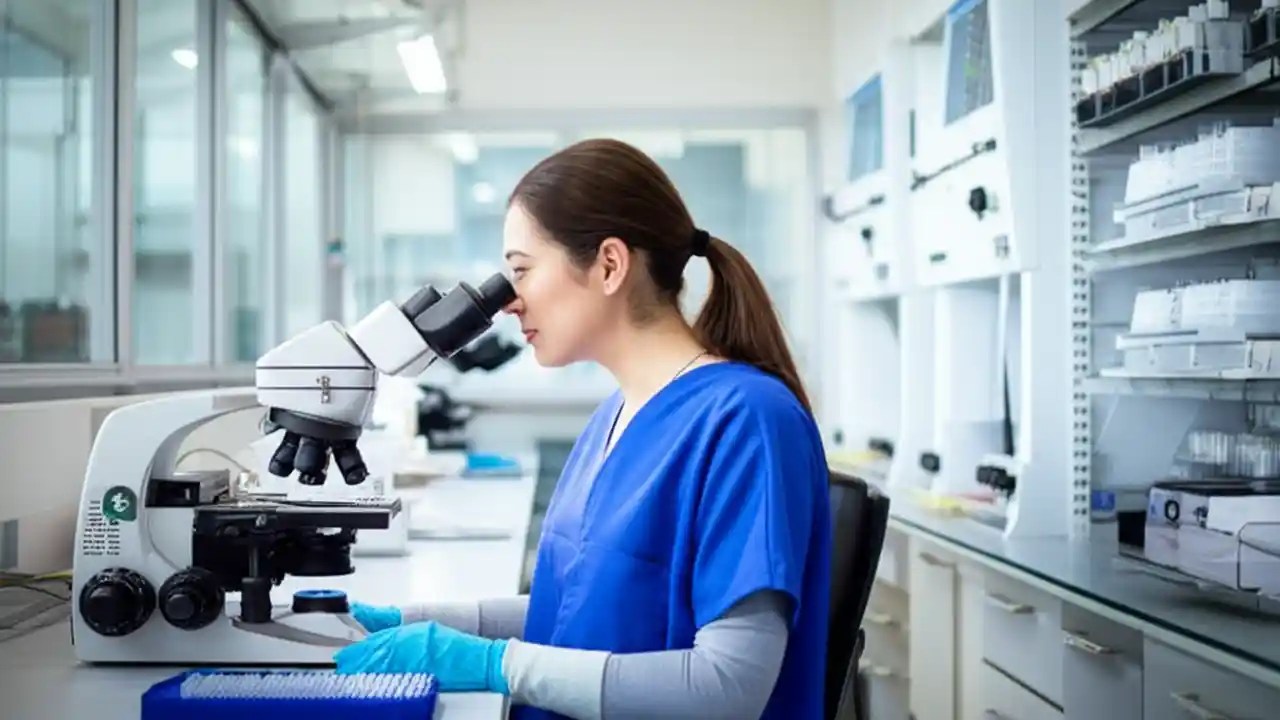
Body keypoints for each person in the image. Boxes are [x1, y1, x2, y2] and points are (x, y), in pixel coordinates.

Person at [335, 138, 832, 720]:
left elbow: (727, 687)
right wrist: (414, 622)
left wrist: (492, 664)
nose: (509, 303)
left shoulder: (746, 421)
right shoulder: (614, 417)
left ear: (610, 265)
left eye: (521, 270)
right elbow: (575, 610)